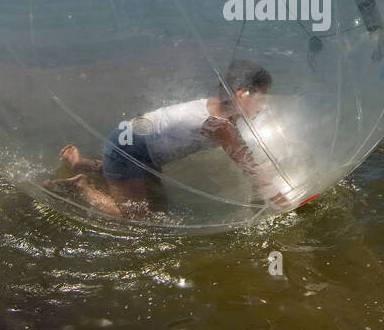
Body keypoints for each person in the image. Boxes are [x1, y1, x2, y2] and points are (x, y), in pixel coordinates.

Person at [46, 61, 290, 218]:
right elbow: (249, 167)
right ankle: (81, 186)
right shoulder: (219, 125)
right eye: (260, 97)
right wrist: (286, 203)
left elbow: (243, 154)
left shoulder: (217, 107)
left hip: (132, 141)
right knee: (134, 218)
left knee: (155, 199)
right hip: (126, 150)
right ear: (241, 93)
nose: (262, 105)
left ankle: (80, 164)